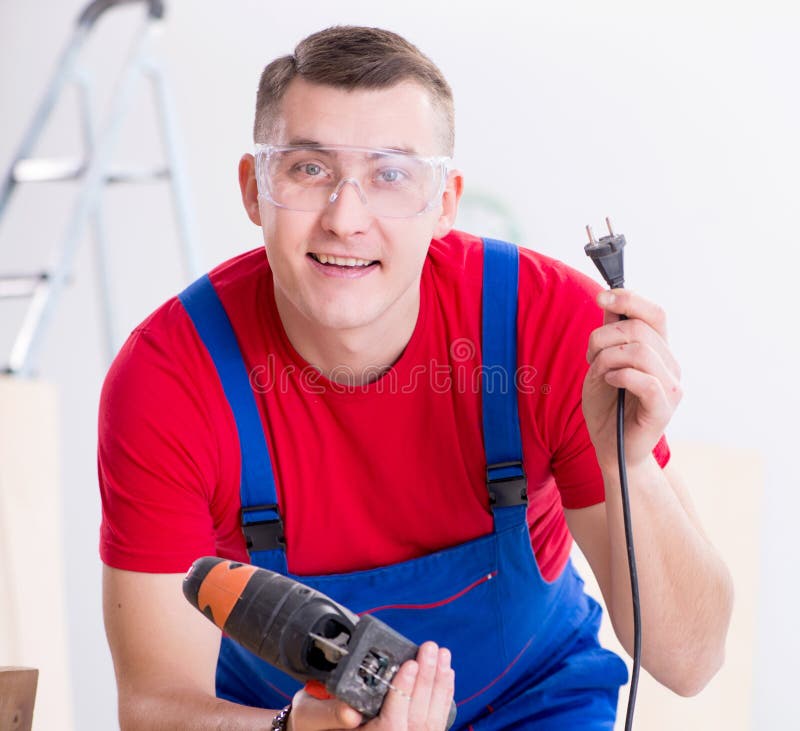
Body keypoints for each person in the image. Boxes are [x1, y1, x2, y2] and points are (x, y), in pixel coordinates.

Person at [98, 26, 733, 731]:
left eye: (390, 174)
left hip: (532, 706)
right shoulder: (170, 377)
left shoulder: (549, 324)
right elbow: (154, 706)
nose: (345, 218)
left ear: (445, 203)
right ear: (255, 189)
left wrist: (632, 467)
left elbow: (691, 660)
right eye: (308, 168)